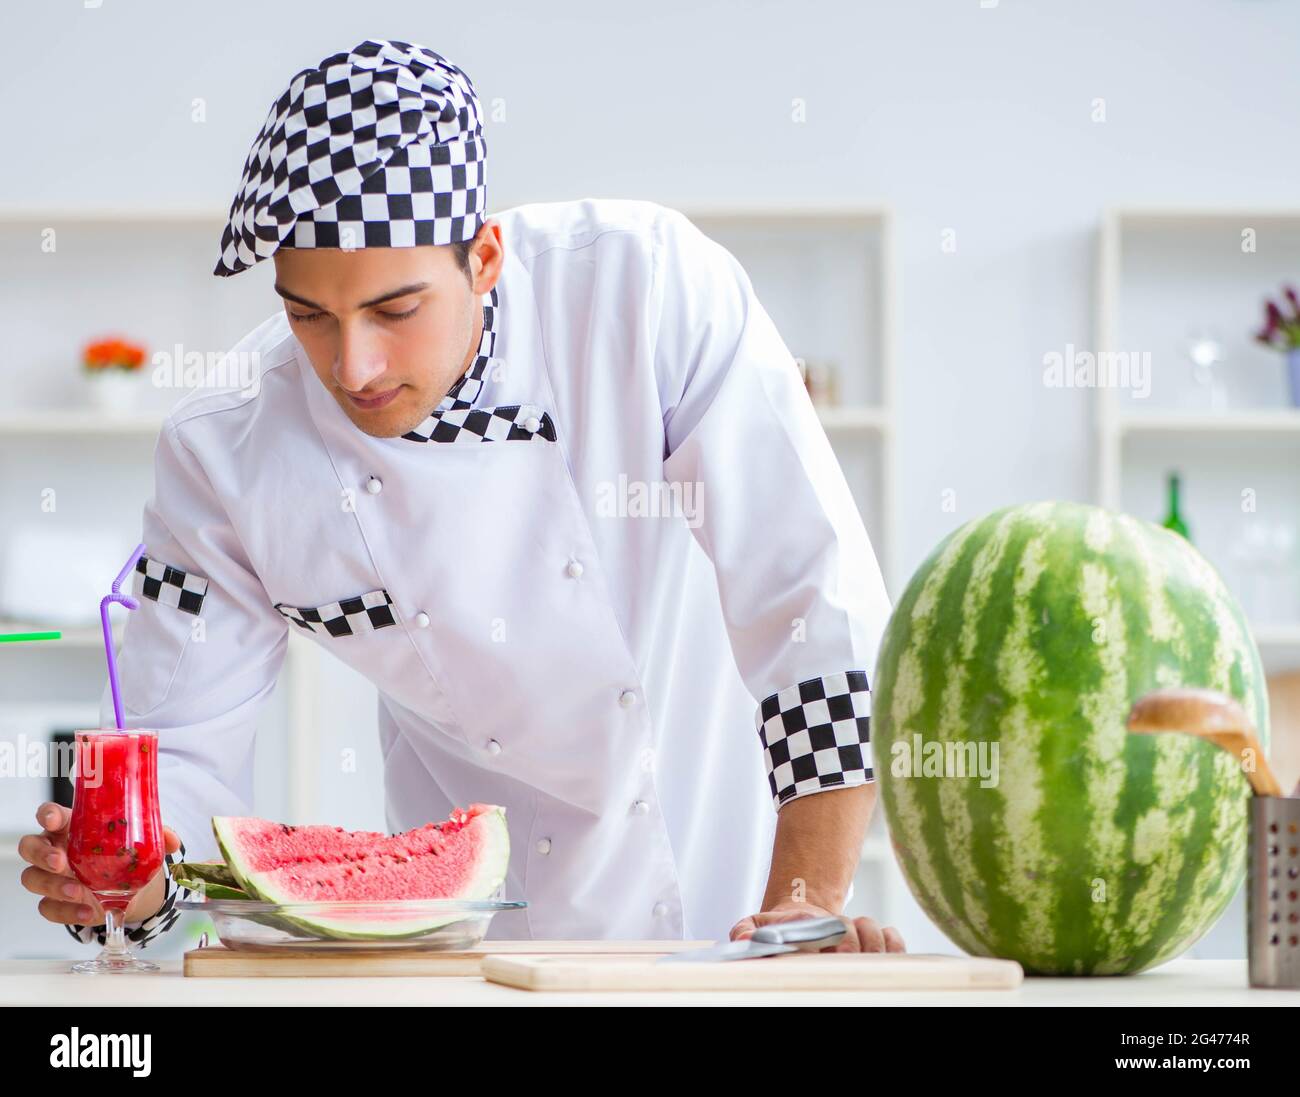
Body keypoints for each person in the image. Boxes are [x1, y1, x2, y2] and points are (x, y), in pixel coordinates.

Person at [20, 38, 903, 952]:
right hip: (464, 954)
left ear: (485, 257)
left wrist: (807, 896)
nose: (350, 367)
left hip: (733, 898)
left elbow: (813, 605)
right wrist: (132, 886)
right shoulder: (229, 452)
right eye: (307, 315)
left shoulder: (647, 289)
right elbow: (179, 751)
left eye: (395, 310)